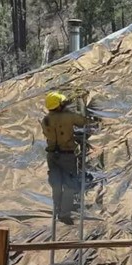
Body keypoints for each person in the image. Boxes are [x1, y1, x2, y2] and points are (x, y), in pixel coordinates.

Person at [42, 90, 88, 225]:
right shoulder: (68, 116)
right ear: (59, 105)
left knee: (56, 185)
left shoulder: (46, 119)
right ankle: (64, 214)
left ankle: (57, 210)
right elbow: (83, 122)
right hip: (67, 156)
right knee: (70, 185)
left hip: (52, 156)